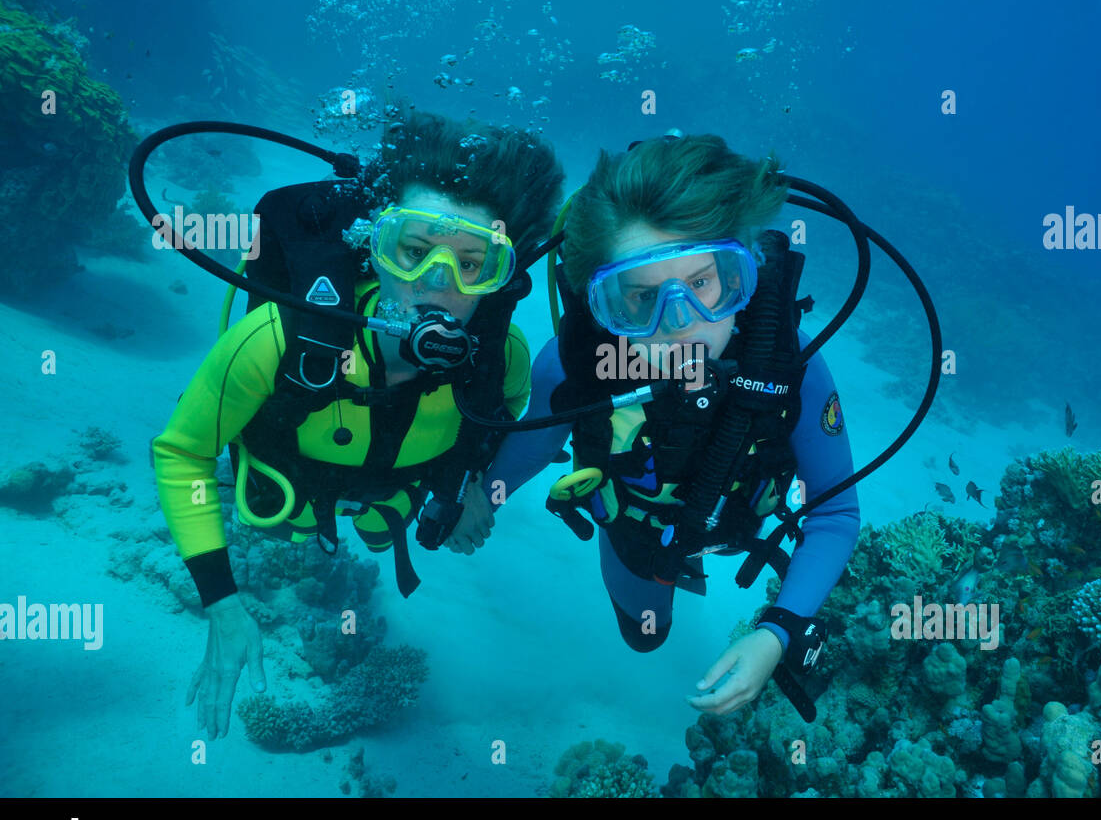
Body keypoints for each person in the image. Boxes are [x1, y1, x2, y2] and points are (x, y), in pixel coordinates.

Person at [151, 110, 564, 739]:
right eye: (415, 251)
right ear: (376, 246)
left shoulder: (500, 358)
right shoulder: (273, 338)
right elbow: (183, 453)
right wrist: (222, 604)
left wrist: (481, 484)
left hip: (390, 498)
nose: (436, 285)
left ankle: (370, 524)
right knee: (284, 526)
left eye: (472, 264)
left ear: (498, 279)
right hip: (282, 496)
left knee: (377, 532)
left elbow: (500, 421)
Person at [462, 133, 861, 716]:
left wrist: (777, 631)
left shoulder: (790, 364)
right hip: (639, 535)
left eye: (702, 284)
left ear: (740, 276)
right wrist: (482, 496)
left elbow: (834, 511)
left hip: (740, 522)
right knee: (644, 636)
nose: (680, 325)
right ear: (603, 303)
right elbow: (530, 450)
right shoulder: (574, 365)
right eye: (641, 299)